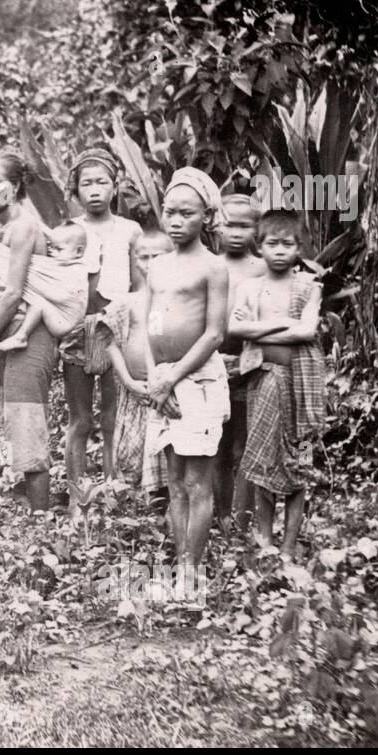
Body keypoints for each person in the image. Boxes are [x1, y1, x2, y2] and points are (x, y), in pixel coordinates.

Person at [142, 167, 231, 568]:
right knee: (175, 484)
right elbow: (147, 328)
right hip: (164, 385)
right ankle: (181, 564)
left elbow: (214, 334)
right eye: (169, 212)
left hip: (197, 383)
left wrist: (173, 378)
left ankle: (190, 573)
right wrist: (155, 380)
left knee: (197, 483)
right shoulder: (158, 266)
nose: (175, 221)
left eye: (187, 214)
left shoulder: (213, 267)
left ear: (207, 218)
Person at [229, 210, 326, 558]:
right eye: (273, 243)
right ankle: (266, 542)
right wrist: (284, 322)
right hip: (263, 382)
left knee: (300, 467)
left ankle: (288, 546)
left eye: (288, 244)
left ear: (299, 248)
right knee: (263, 462)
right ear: (260, 246)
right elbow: (235, 329)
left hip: (301, 390)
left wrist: (263, 323)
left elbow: (307, 331)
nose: (280, 251)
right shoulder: (250, 287)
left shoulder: (308, 287)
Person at [0, 148, 56, 511]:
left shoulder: (23, 226)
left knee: (26, 417)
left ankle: (41, 520)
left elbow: (14, 291)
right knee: (15, 419)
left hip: (27, 333)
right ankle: (30, 507)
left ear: (16, 185)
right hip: (10, 330)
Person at [62, 147, 143, 499]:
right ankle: (77, 494)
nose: (94, 190)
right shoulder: (66, 230)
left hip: (116, 330)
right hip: (78, 329)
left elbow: (140, 285)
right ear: (74, 190)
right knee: (80, 418)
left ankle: (112, 488)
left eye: (102, 182)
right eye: (86, 183)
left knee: (112, 415)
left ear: (115, 186)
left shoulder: (130, 230)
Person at [96, 229, 174, 495]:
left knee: (168, 461)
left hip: (167, 393)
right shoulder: (129, 301)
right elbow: (110, 342)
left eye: (158, 257)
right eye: (144, 257)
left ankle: (163, 518)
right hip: (134, 393)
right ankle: (133, 518)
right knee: (131, 458)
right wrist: (128, 381)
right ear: (135, 260)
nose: (150, 264)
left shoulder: (181, 301)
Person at [214, 193, 268, 528]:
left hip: (252, 366)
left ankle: (243, 516)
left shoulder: (263, 268)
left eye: (244, 226)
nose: (235, 232)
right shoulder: (208, 264)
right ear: (216, 225)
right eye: (229, 224)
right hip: (213, 366)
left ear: (257, 229)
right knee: (217, 446)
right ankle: (221, 514)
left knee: (246, 447)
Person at [0, 218, 89, 351]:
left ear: (78, 252)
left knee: (38, 303)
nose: (52, 252)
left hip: (64, 323)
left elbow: (63, 295)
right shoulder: (67, 262)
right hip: (62, 321)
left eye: (58, 249)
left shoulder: (77, 270)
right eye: (50, 247)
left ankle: (21, 336)